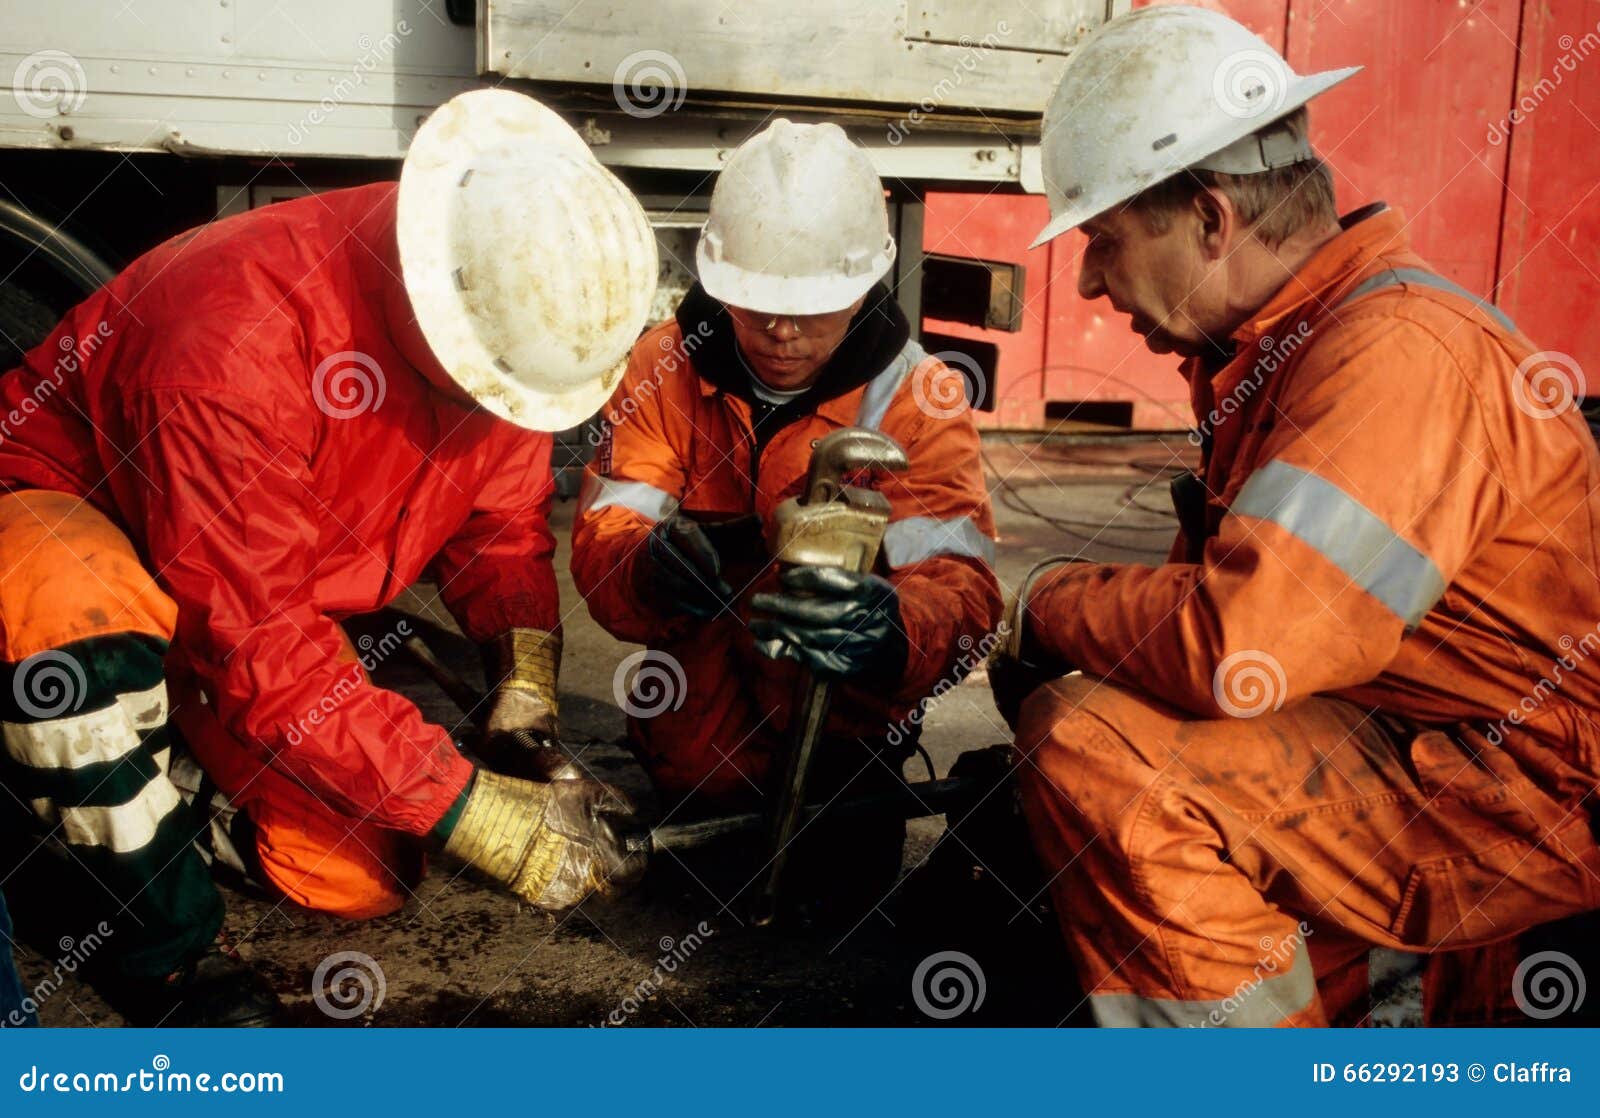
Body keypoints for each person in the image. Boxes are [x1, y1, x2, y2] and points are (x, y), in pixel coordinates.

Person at [997, 4, 1600, 1027]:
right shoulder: (1286, 350)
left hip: (1520, 795)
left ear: (1211, 219)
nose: (1091, 280)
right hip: (1419, 739)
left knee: (1098, 751)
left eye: (1102, 239)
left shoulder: (1395, 358)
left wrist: (1039, 600)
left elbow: (1238, 649)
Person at [0, 89, 656, 1026]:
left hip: (241, 592)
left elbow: (500, 526)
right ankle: (159, 956)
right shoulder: (231, 346)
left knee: (361, 871)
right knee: (69, 624)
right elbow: (260, 645)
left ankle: (119, 793)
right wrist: (476, 814)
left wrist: (524, 695)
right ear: (438, 305)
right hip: (75, 528)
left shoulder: (493, 334)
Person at [571, 120, 1001, 910]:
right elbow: (607, 542)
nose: (782, 332)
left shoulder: (918, 397)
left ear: (866, 285)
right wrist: (644, 565)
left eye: (813, 310)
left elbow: (960, 589)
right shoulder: (658, 368)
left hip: (843, 738)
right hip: (691, 743)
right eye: (761, 304)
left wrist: (895, 632)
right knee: (693, 895)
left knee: (839, 900)